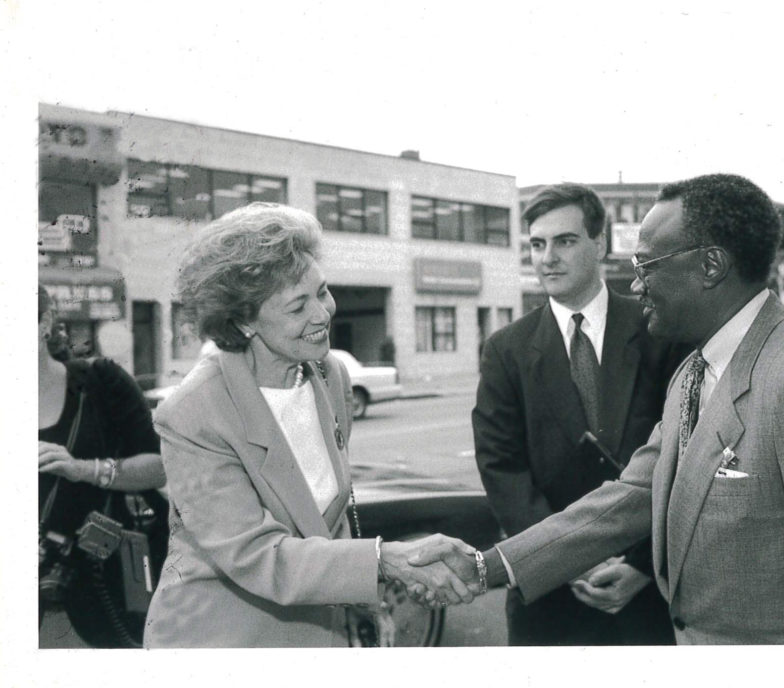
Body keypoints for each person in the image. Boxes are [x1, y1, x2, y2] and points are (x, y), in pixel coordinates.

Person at [413, 174, 784, 644]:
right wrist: (487, 566)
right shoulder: (693, 371)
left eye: (648, 264)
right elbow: (631, 497)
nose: (635, 283)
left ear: (710, 266)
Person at [143, 203, 477, 648]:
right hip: (223, 640)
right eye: (299, 306)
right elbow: (256, 555)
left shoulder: (329, 374)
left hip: (320, 633)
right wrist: (381, 560)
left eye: (322, 292)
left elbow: (328, 524)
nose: (323, 314)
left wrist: (365, 600)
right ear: (243, 322)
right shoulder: (192, 415)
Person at [473, 184, 684, 645]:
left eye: (564, 241)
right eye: (537, 244)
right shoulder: (505, 351)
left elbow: (684, 458)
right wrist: (566, 560)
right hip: (551, 602)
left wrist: (644, 567)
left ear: (599, 244)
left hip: (648, 594)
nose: (547, 257)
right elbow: (502, 471)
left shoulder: (659, 333)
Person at [38, 287, 168, 647]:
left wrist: (83, 469)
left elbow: (160, 467)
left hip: (109, 588)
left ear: (45, 323)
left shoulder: (99, 383)